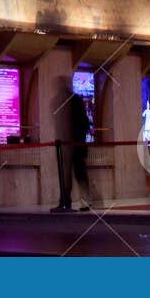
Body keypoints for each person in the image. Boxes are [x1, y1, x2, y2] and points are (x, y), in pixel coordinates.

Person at [54, 78, 92, 211]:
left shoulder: (70, 101)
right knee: (76, 173)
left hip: (72, 143)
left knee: (75, 173)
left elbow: (83, 122)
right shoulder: (73, 100)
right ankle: (74, 201)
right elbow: (85, 123)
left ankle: (69, 201)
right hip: (72, 143)